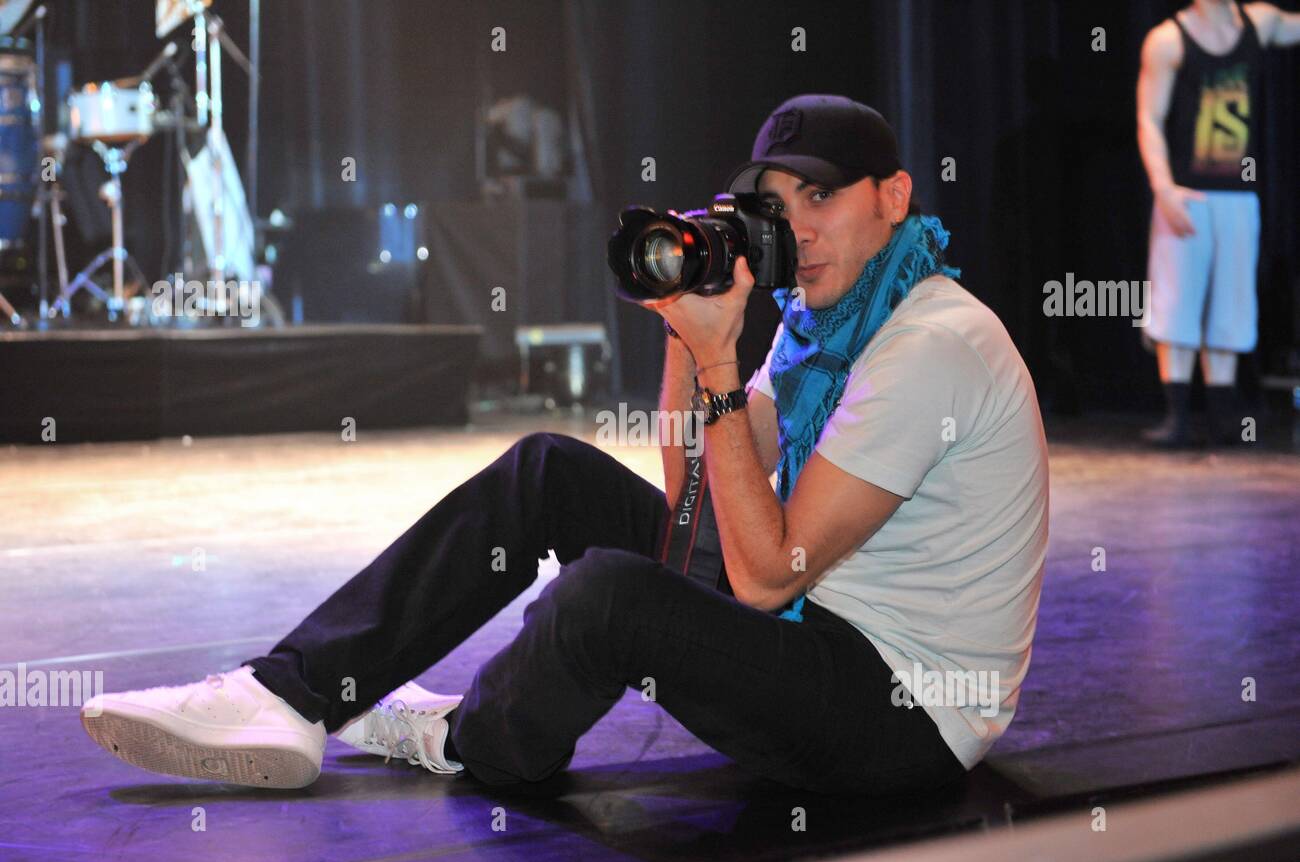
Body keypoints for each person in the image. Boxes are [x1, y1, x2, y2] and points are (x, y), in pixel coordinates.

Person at [81, 94, 1048, 798]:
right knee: (549, 467)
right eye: (778, 204)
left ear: (894, 195)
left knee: (607, 597)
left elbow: (761, 579)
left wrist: (720, 371)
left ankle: (473, 737)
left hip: (901, 711)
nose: (799, 229)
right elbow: (695, 507)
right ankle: (288, 694)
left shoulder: (929, 341)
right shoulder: (815, 321)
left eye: (822, 198)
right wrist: (688, 330)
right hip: (812, 624)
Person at [1136, 0, 1300, 447]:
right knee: (1177, 303)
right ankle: (1178, 417)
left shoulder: (1259, 22)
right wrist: (1163, 187)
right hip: (1187, 192)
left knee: (1231, 305)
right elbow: (1149, 118)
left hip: (1238, 194)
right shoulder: (1169, 39)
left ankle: (1224, 415)